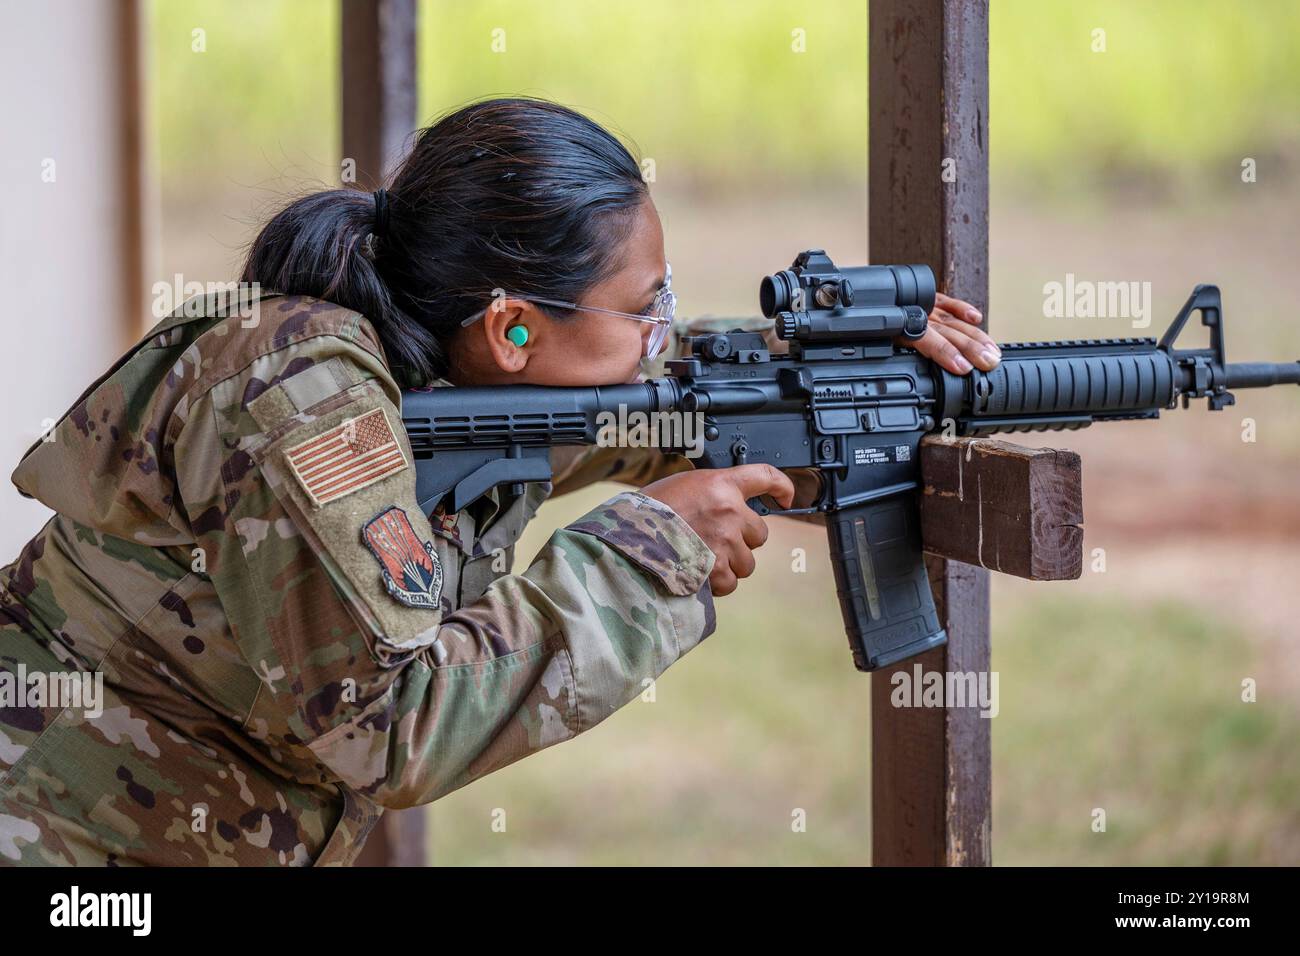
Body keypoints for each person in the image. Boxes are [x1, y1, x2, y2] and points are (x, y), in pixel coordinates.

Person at [0, 96, 999, 866]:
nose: (659, 335)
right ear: (513, 327)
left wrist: (815, 370)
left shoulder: (433, 361)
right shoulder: (305, 399)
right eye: (646, 309)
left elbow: (618, 408)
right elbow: (388, 726)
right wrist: (644, 550)